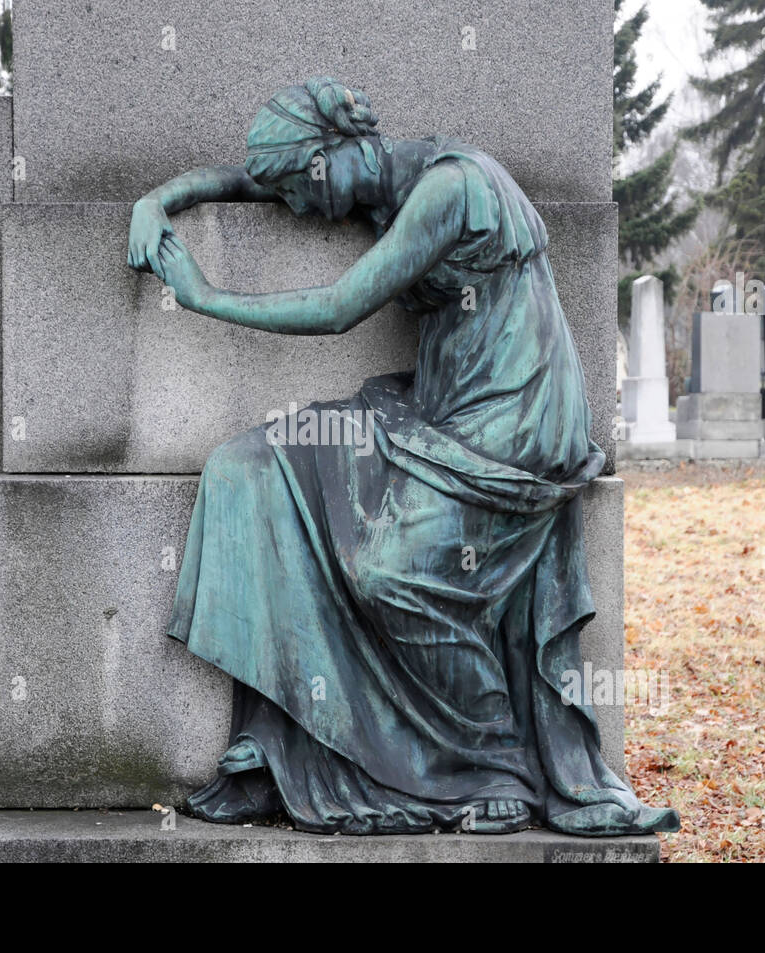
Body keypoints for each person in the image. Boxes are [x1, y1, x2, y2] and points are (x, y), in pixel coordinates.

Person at [126, 77, 679, 836]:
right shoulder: (362, 177)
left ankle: (495, 765)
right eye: (288, 192)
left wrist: (202, 294)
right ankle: (278, 747)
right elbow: (241, 177)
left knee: (390, 572)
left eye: (300, 186)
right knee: (248, 469)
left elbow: (339, 307)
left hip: (513, 419)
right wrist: (159, 200)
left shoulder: (452, 189)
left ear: (338, 151)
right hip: (440, 407)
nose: (297, 207)